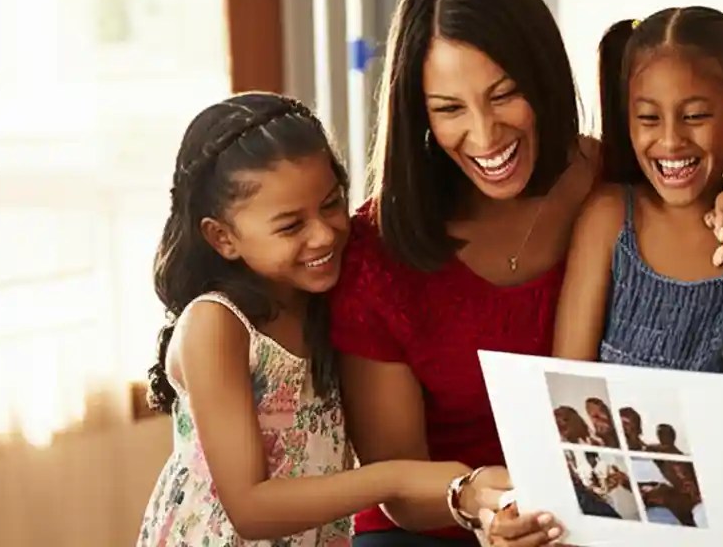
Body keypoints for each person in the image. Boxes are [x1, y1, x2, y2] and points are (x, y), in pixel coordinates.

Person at [328, 0, 723, 546]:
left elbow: (692, 176)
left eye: (504, 95)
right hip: (435, 528)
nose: (485, 135)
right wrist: (481, 504)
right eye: (450, 108)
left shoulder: (611, 183)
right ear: (419, 113)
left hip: (591, 521)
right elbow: (398, 489)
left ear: (542, 78)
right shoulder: (377, 254)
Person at [138, 93, 481, 547]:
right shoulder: (217, 325)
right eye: (290, 225)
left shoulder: (331, 297)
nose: (323, 235)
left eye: (332, 204)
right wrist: (396, 479)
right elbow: (250, 509)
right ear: (222, 238)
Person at [552, 7, 723, 373]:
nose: (671, 140)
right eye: (649, 118)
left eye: (695, 116)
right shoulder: (608, 219)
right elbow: (568, 383)